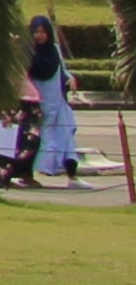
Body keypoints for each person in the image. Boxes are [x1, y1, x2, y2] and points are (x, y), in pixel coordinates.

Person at [30, 14, 83, 186]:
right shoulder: (28, 53)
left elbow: (61, 68)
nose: (39, 35)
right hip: (41, 105)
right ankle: (37, 173)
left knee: (66, 136)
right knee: (44, 139)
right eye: (36, 31)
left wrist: (69, 78)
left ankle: (72, 176)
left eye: (43, 31)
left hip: (58, 102)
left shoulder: (54, 50)